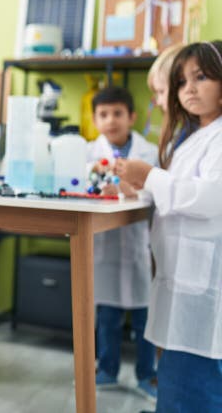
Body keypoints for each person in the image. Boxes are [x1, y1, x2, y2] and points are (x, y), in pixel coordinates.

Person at [115, 41, 222, 412]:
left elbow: (209, 197)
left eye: (201, 77)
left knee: (195, 388)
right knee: (177, 382)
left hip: (203, 291)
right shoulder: (193, 138)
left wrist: (150, 176)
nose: (189, 89)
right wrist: (140, 188)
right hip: (183, 282)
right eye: (181, 82)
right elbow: (178, 191)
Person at [86, 86, 158, 401]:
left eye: (118, 113)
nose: (111, 120)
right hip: (106, 246)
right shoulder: (90, 153)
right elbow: (81, 182)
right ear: (94, 119)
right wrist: (95, 178)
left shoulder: (148, 152)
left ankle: (147, 375)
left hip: (138, 243)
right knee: (107, 314)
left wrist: (135, 192)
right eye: (103, 114)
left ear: (132, 117)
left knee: (144, 316)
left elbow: (157, 190)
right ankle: (107, 371)